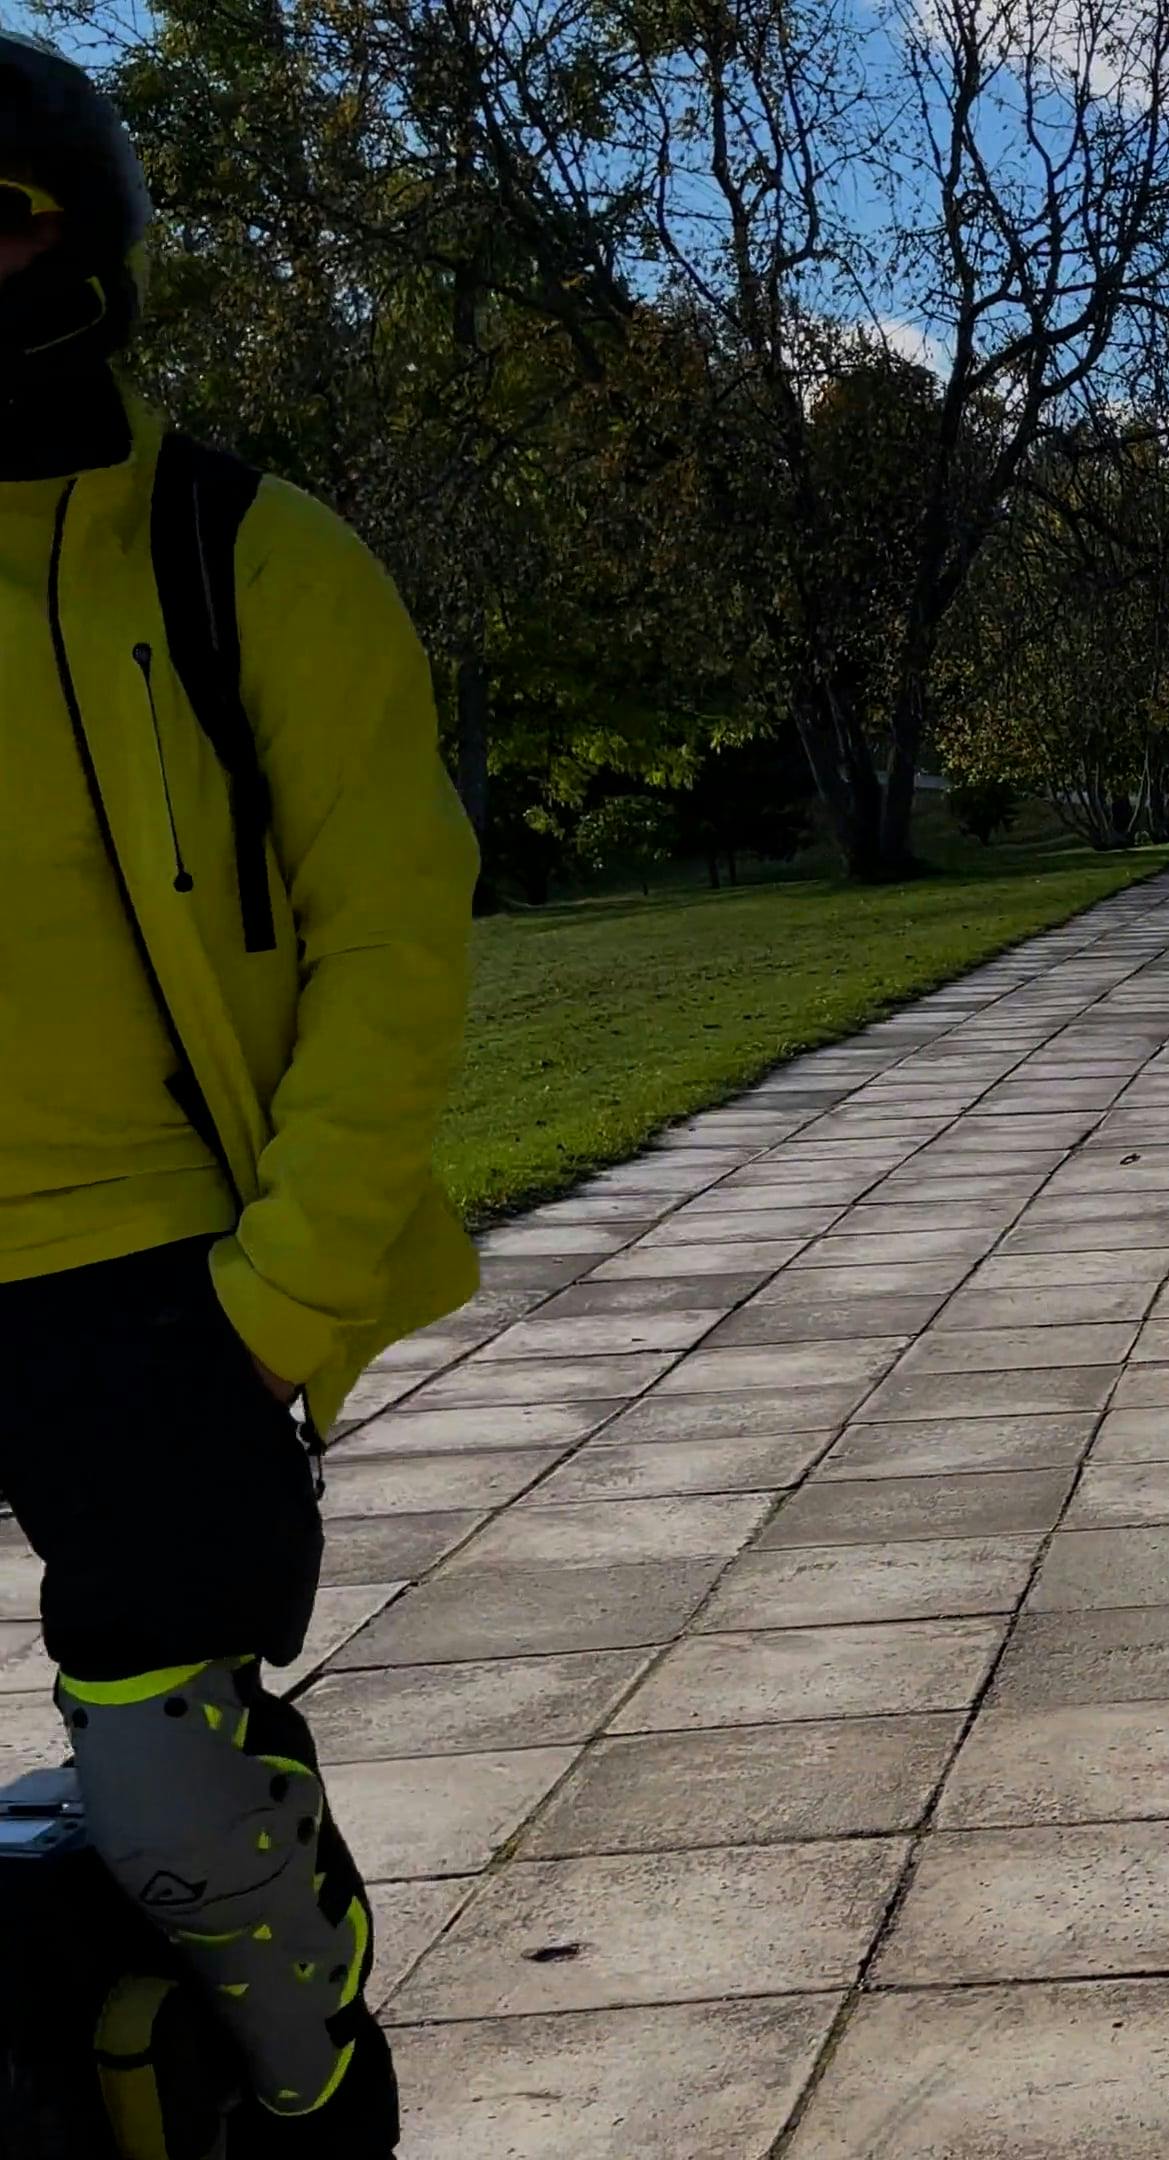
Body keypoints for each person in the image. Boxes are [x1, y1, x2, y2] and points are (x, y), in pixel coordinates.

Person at [4, 34, 484, 2152]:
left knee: (181, 1814)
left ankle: (309, 2106)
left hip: (153, 1294)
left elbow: (398, 950)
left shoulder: (252, 562)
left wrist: (276, 1304)